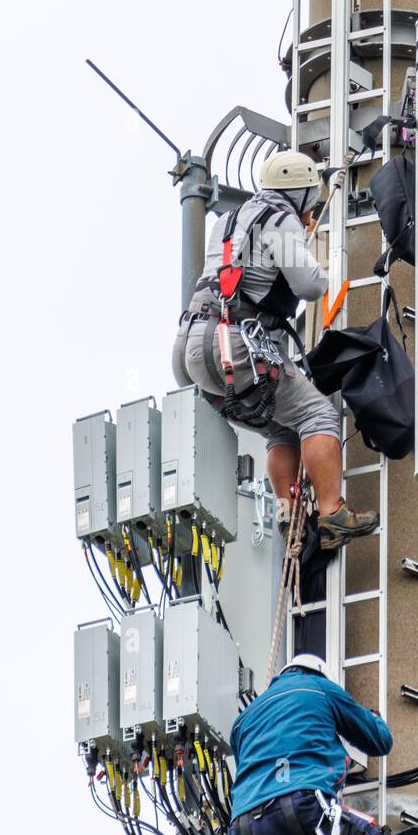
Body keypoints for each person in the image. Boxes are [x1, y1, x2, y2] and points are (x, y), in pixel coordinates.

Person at [172, 150, 378, 551]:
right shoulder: (281, 218)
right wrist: (318, 261)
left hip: (191, 347)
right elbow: (309, 286)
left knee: (280, 425)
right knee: (316, 413)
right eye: (311, 200)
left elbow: (245, 272)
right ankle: (332, 514)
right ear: (300, 193)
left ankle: (288, 512)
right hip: (232, 345)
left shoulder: (231, 220)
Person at [228, 655, 415, 835]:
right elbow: (380, 741)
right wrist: (374, 719)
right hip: (303, 808)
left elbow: (254, 778)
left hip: (246, 832)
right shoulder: (321, 688)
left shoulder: (243, 720)